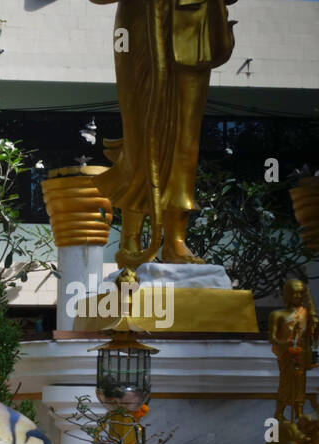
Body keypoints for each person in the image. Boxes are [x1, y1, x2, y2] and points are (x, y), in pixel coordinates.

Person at [90, 0, 237, 268]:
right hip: (141, 22)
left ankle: (175, 240)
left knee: (185, 138)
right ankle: (131, 235)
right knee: (140, 131)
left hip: (192, 26)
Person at [269, 278, 319, 430]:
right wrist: (286, 344)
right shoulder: (278, 315)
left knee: (300, 383)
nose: (297, 297)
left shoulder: (305, 313)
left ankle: (298, 412)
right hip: (286, 353)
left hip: (302, 351)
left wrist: (314, 322)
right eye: (294, 294)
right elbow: (272, 337)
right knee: (285, 382)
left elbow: (314, 331)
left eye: (300, 294)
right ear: (287, 295)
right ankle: (279, 412)